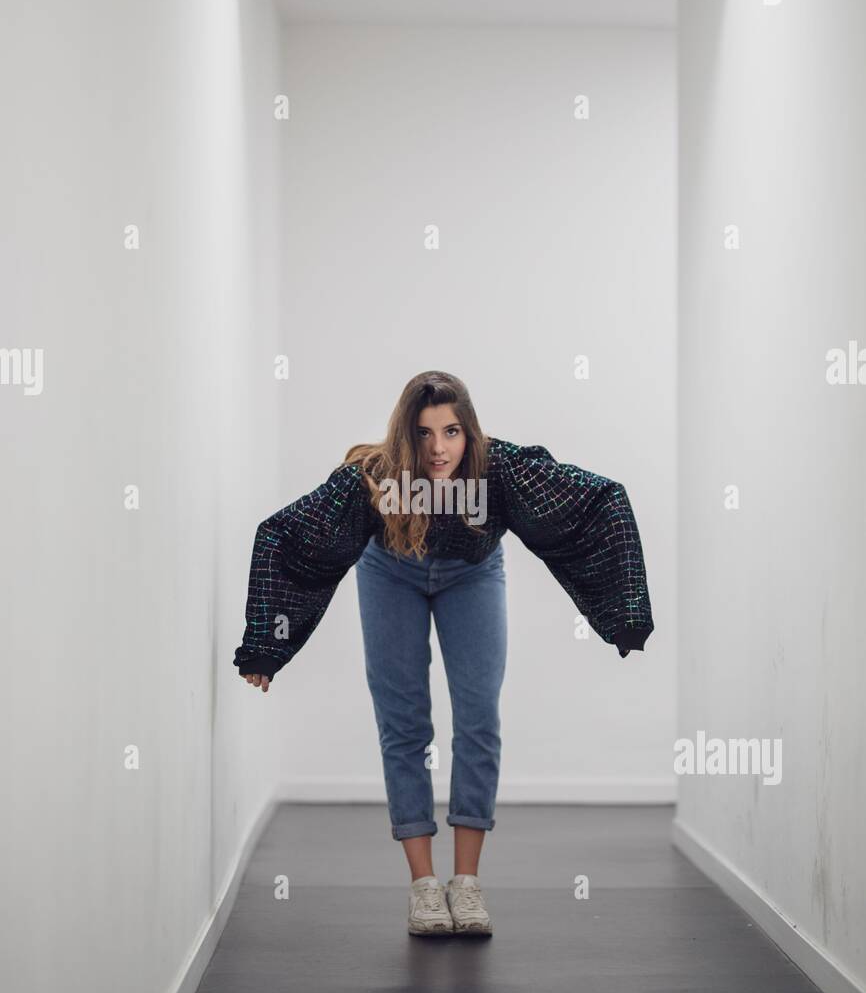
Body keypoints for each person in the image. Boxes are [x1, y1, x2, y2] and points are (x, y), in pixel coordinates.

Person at [233, 371, 654, 938]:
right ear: (406, 435)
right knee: (404, 722)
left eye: (452, 431)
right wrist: (265, 645)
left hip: (473, 575)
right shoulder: (374, 476)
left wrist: (624, 612)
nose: (438, 448)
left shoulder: (501, 468)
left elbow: (598, 501)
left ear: (469, 431)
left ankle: (467, 883)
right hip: (389, 574)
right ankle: (424, 887)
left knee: (479, 717)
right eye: (425, 433)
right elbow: (285, 534)